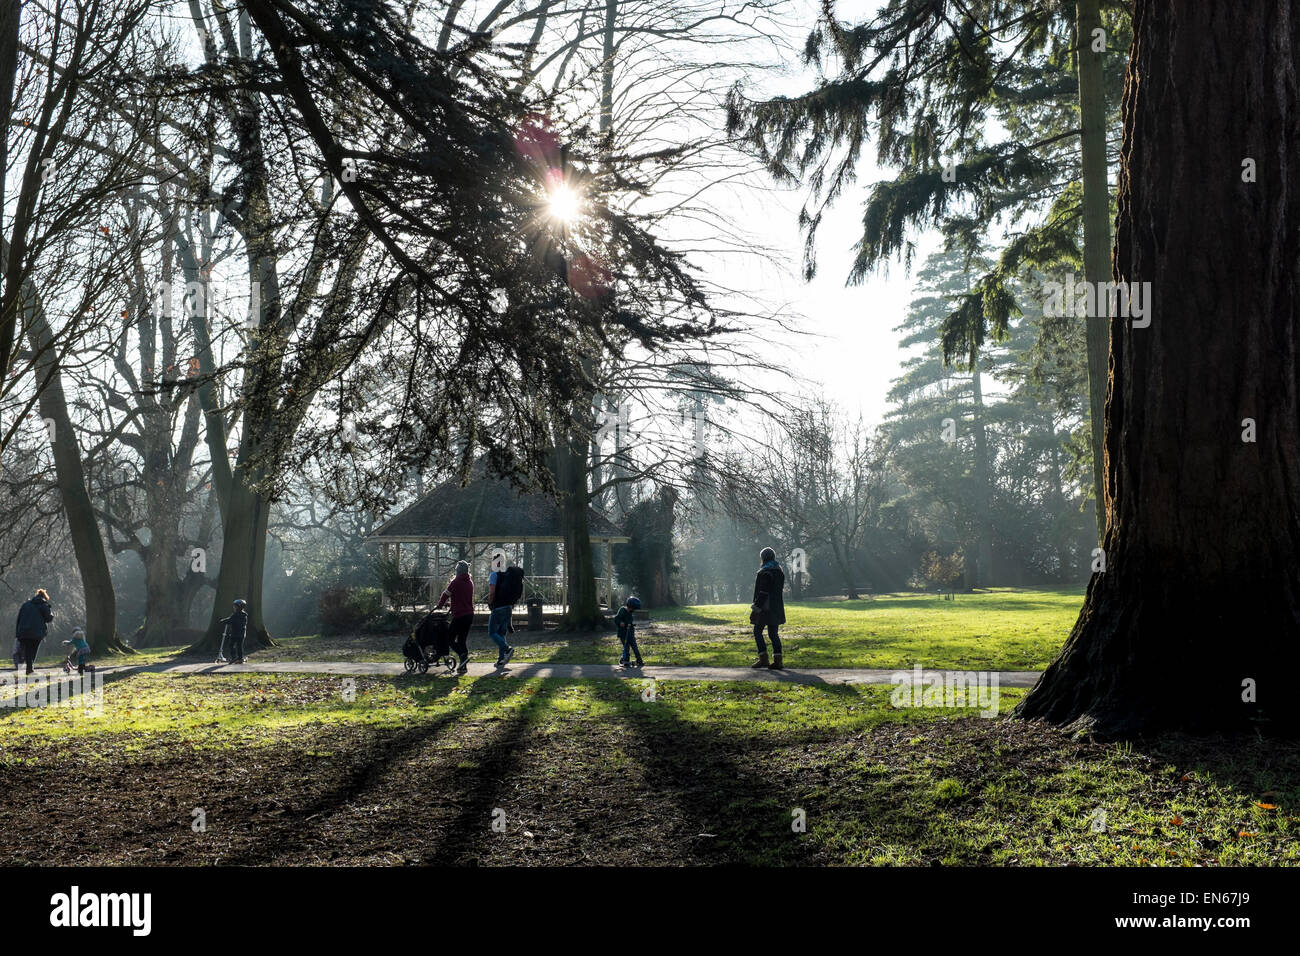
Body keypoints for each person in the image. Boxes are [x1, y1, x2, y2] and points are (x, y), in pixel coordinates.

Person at [434, 560, 474, 675]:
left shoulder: (456, 582)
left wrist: (440, 605)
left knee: (449, 639)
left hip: (459, 616)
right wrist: (451, 604)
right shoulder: (470, 582)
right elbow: (463, 599)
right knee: (462, 640)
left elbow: (445, 594)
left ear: (458, 571)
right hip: (469, 615)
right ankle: (463, 666)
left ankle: (462, 655)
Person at [750, 547, 786, 670]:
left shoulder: (765, 572)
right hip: (776, 608)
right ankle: (778, 661)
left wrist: (756, 607)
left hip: (765, 609)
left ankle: (763, 658)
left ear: (763, 558)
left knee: (757, 631)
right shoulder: (779, 572)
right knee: (773, 634)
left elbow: (764, 592)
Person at [486, 561, 524, 667]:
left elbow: (492, 592)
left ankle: (507, 649)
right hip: (508, 607)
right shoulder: (507, 575)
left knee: (492, 632)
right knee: (501, 633)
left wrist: (490, 602)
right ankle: (501, 659)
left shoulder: (494, 574)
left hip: (498, 608)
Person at [14, 588, 53, 676]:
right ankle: (30, 669)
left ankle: (29, 668)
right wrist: (50, 610)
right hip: (37, 632)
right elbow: (49, 618)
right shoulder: (43, 605)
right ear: (45, 597)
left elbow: (19, 619)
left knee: (28, 650)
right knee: (33, 650)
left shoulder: (25, 605)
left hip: (24, 631)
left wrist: (17, 633)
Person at [615, 596, 644, 668]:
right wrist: (620, 622)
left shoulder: (630, 612)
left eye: (633, 609)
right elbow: (616, 619)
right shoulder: (622, 610)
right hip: (623, 633)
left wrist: (631, 625)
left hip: (630, 633)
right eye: (632, 608)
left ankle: (639, 660)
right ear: (629, 606)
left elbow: (630, 621)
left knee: (634, 646)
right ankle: (626, 661)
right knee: (626, 647)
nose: (632, 610)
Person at [220, 599, 249, 664]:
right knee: (238, 646)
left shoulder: (239, 615)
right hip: (239, 633)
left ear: (239, 607)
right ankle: (239, 658)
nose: (234, 607)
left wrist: (223, 621)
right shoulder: (240, 614)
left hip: (237, 633)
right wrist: (225, 620)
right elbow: (231, 619)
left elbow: (231, 620)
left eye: (235, 606)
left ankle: (235, 657)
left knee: (233, 645)